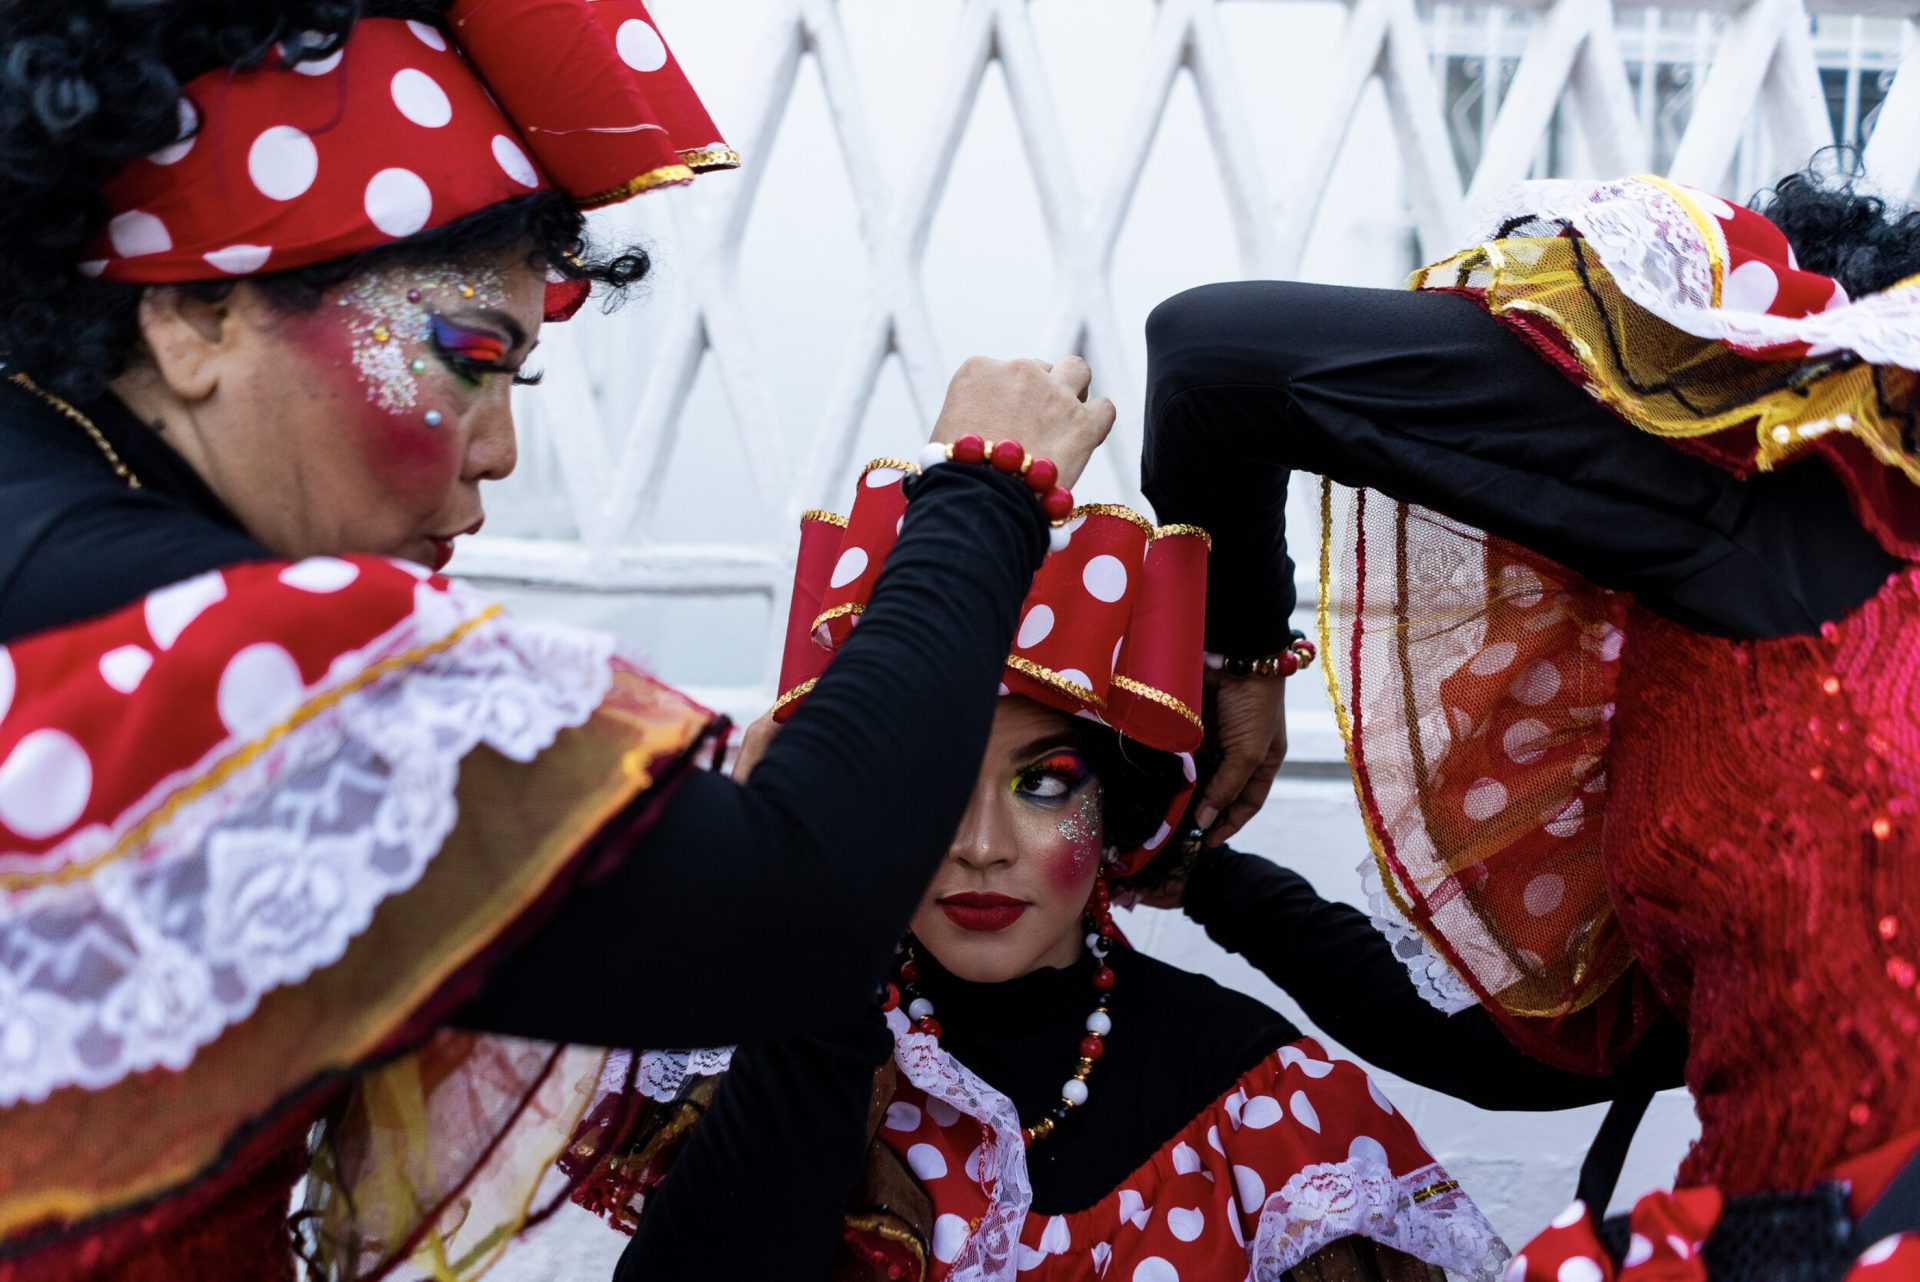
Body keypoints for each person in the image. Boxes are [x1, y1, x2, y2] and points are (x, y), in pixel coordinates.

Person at [0, 3, 1118, 1277]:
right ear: (198, 316)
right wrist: (985, 486)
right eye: (468, 354)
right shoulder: (234, 644)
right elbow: (788, 912)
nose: (500, 449)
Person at [1137, 161, 1920, 1274]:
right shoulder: (1747, 673)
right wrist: (1215, 883)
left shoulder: (1779, 490)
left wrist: (1247, 655)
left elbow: (1214, 357)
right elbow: (1540, 1055)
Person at [580, 466, 1510, 1282]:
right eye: (932, 779)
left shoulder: (1272, 1108)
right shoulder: (765, 1055)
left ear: (1119, 806)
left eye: (1043, 783)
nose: (981, 843)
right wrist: (799, 901)